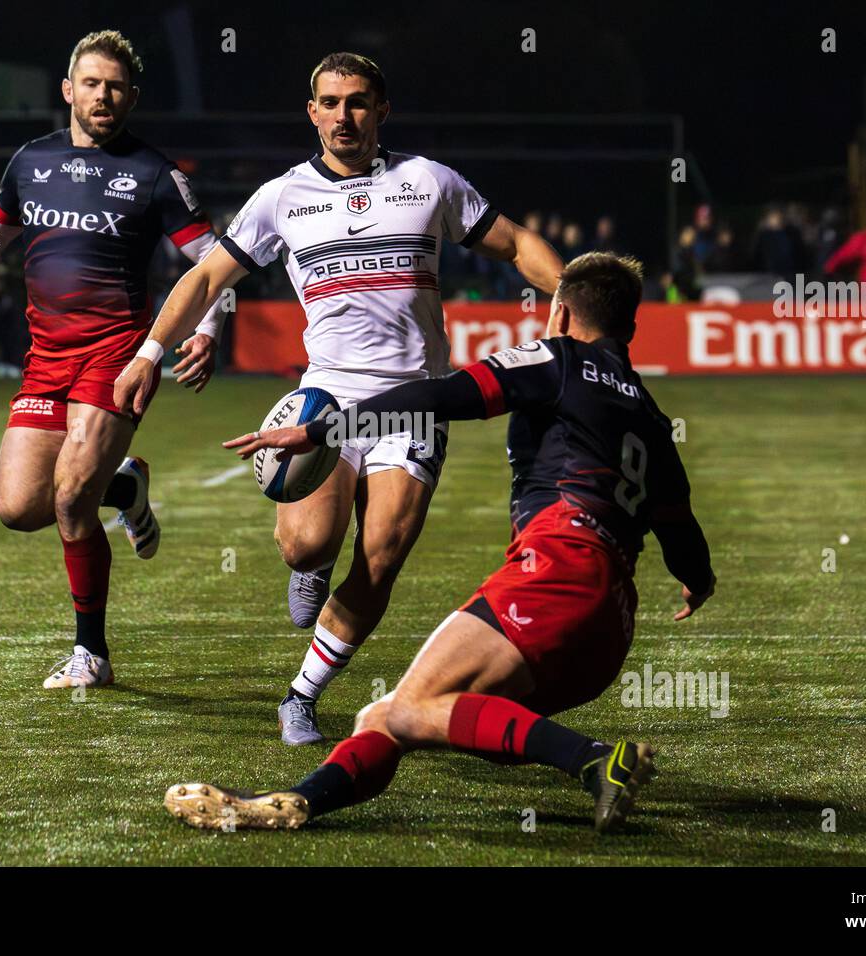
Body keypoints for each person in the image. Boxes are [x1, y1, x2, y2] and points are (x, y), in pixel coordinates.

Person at [163, 252, 716, 834]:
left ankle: (596, 760)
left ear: (558, 313)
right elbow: (680, 528)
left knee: (403, 710)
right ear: (630, 328)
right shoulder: (652, 415)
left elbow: (437, 397)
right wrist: (696, 579)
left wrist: (320, 429)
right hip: (608, 630)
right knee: (397, 716)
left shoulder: (556, 359)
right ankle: (294, 804)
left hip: (553, 576)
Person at [115, 52, 565, 746]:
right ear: (312, 112)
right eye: (330, 101)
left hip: (415, 399)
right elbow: (207, 279)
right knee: (305, 544)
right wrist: (149, 352)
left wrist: (570, 305)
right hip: (326, 396)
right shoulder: (282, 197)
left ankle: (300, 697)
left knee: (382, 552)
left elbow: (515, 243)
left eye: (358, 102)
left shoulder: (428, 182)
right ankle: (313, 564)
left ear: (381, 110)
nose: (344, 115)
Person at [0, 30, 227, 688]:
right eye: (91, 83)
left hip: (117, 355)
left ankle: (92, 654)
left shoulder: (156, 174)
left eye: (115, 86)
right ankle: (126, 484)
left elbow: (213, 260)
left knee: (70, 501)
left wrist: (208, 327)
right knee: (20, 507)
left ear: (131, 97)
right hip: (45, 358)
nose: (102, 95)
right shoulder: (31, 161)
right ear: (68, 91)